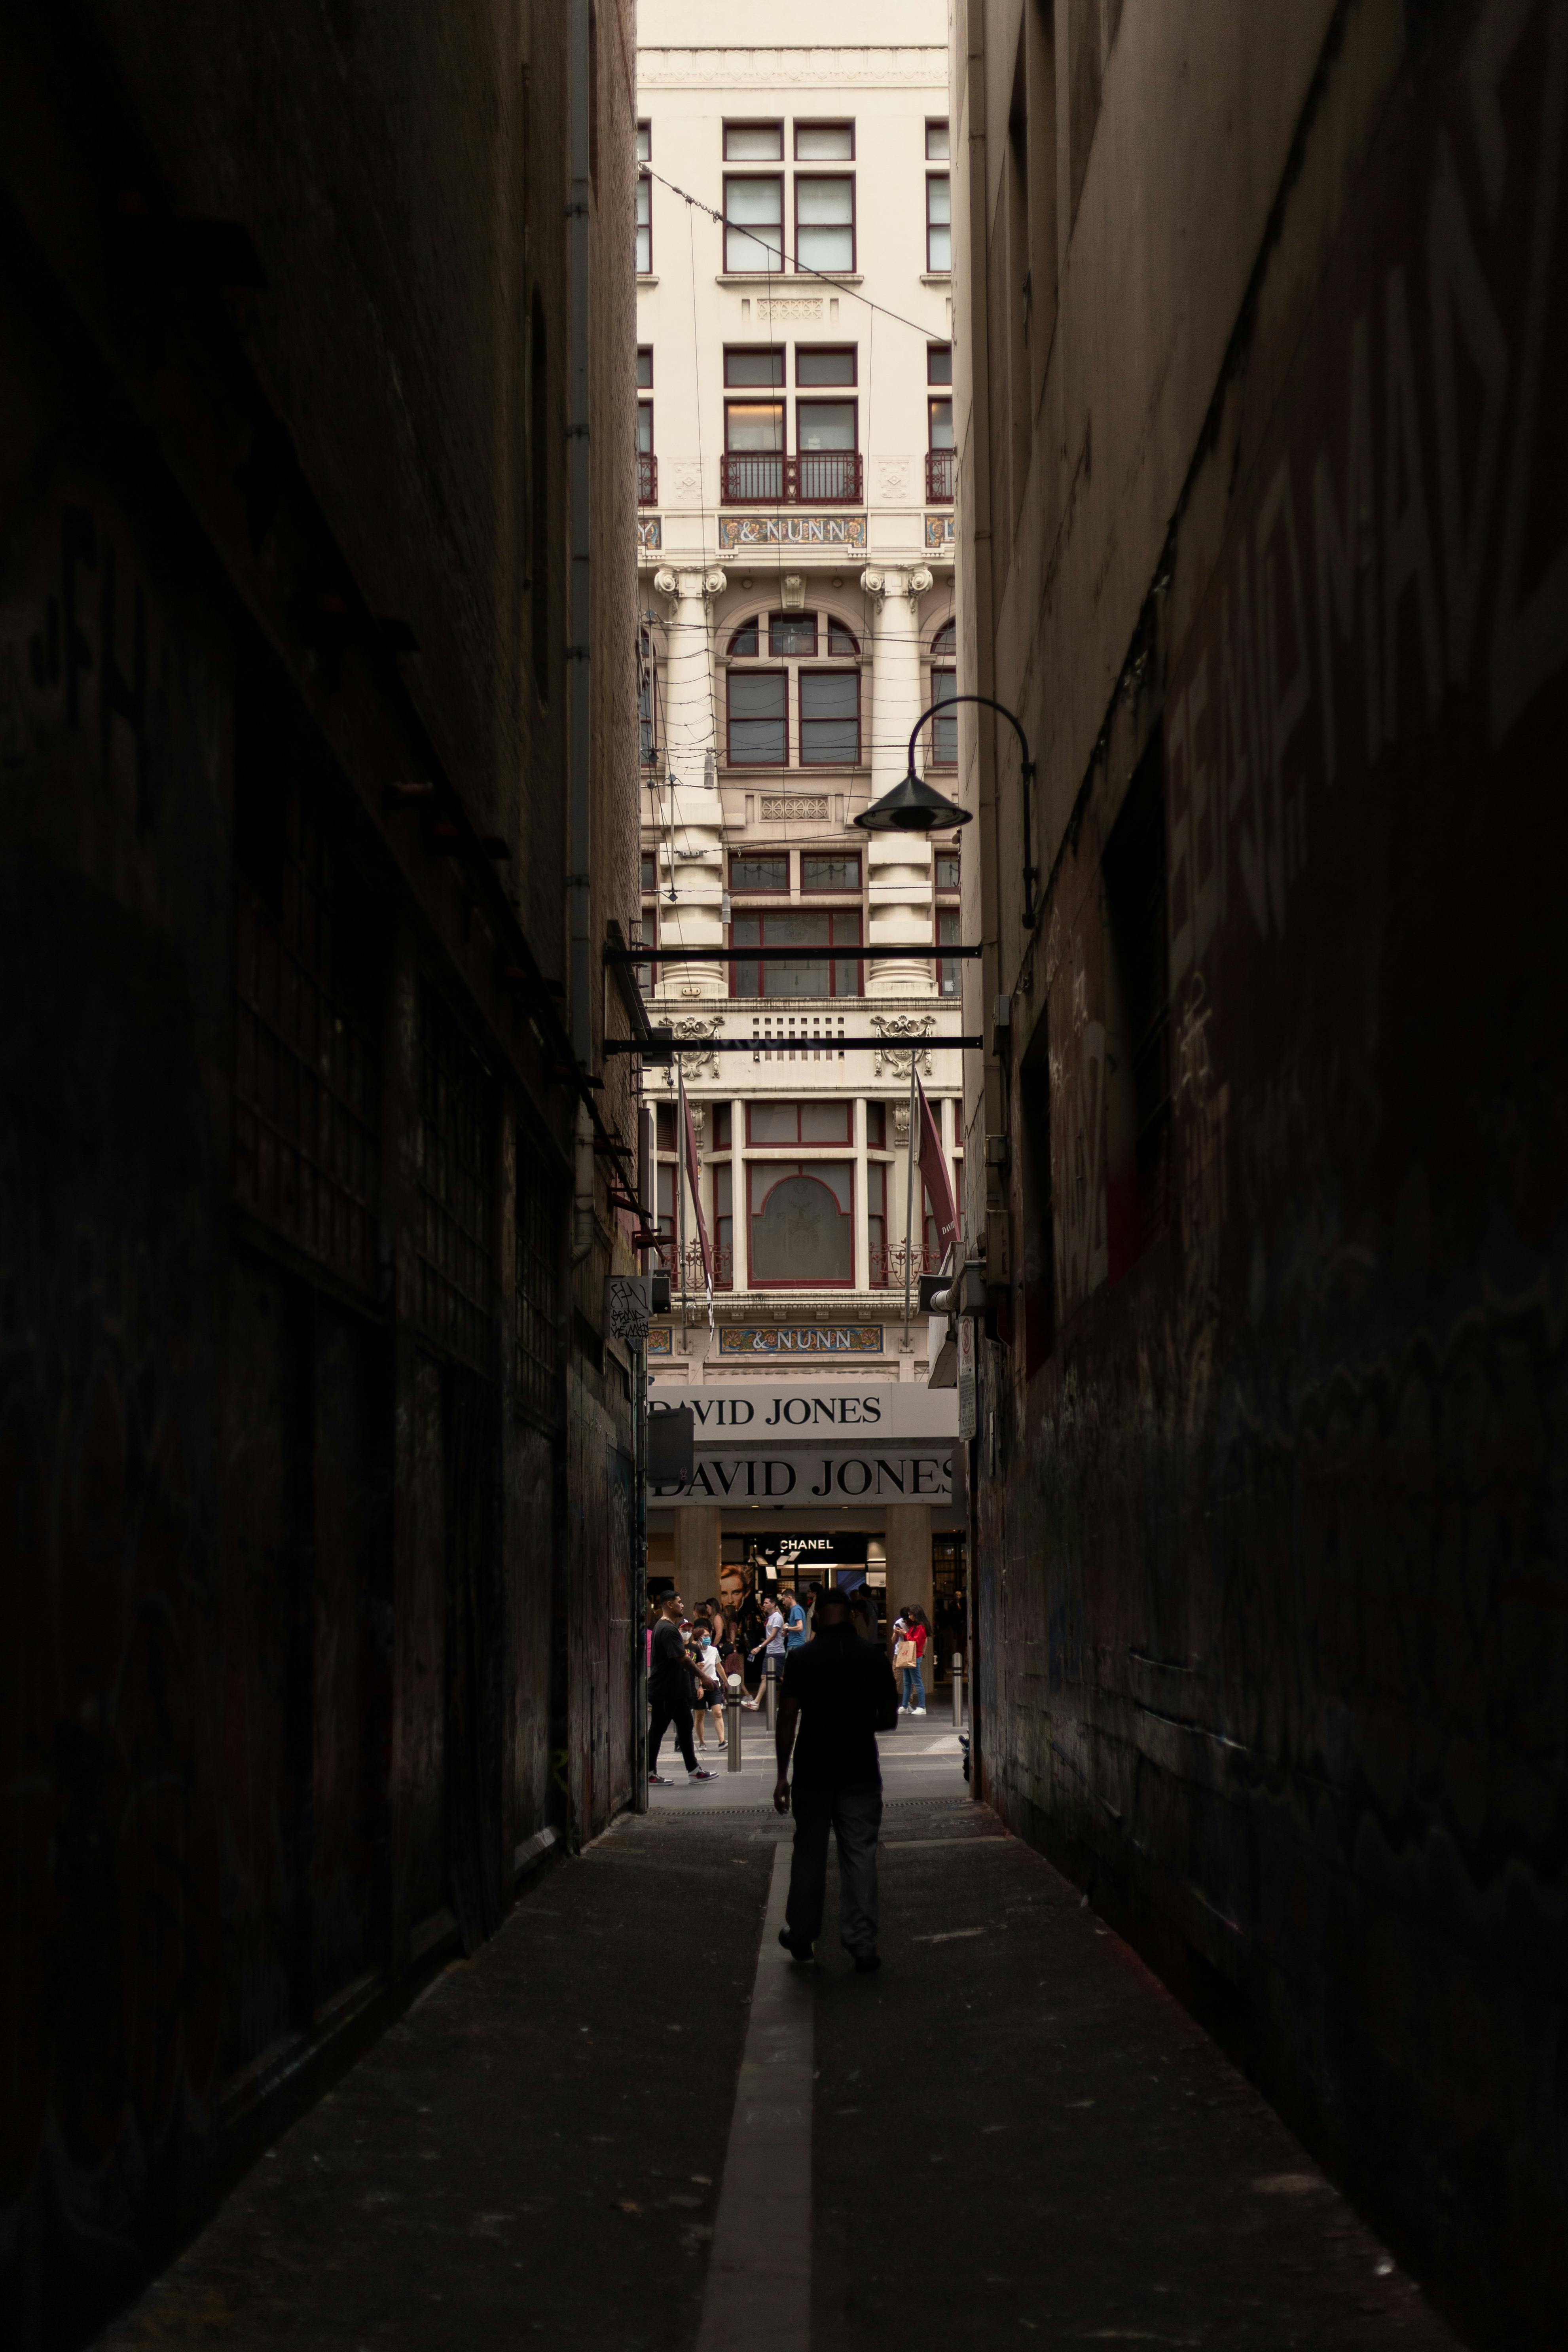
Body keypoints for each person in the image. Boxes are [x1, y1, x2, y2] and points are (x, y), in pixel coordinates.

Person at [773, 1585, 900, 1972]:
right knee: (860, 1854)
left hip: (813, 1769)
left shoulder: (803, 1658)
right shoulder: (873, 1657)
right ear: (851, 1615)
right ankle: (862, 1944)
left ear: (815, 1616)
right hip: (861, 1768)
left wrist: (782, 1775)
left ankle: (802, 1934)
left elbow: (788, 1716)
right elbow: (890, 1717)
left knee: (810, 1852)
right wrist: (860, 1723)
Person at [648, 1594, 715, 1785]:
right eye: (679, 1602)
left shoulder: (664, 1628)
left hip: (672, 1692)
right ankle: (650, 1772)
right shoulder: (668, 1629)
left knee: (685, 1727)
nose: (683, 1605)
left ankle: (693, 1770)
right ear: (669, 1604)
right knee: (659, 1730)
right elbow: (682, 1658)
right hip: (666, 1692)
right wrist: (703, 1677)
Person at [742, 1592, 785, 1710]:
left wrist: (760, 1647)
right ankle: (757, 1702)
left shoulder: (777, 1617)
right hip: (770, 1652)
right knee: (765, 1677)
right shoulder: (770, 1617)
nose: (764, 1605)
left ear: (773, 1604)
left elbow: (773, 1636)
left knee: (781, 1677)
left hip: (777, 1652)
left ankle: (795, 1700)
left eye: (766, 1603)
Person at [690, 1613, 726, 1750]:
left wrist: (727, 1682)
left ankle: (722, 1741)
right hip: (699, 1686)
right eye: (704, 1636)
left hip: (714, 1684)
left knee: (718, 1712)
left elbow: (719, 1666)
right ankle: (702, 1742)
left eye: (708, 1636)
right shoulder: (693, 1651)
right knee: (700, 1715)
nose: (707, 1638)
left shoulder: (714, 1650)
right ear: (698, 1638)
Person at [898, 1607, 929, 1716]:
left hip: (915, 1656)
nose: (910, 1617)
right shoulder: (915, 1627)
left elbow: (915, 1641)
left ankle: (922, 1706)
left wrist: (905, 1633)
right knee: (907, 1683)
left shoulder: (920, 1627)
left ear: (916, 1615)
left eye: (911, 1615)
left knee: (917, 1682)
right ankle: (905, 1706)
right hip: (912, 1656)